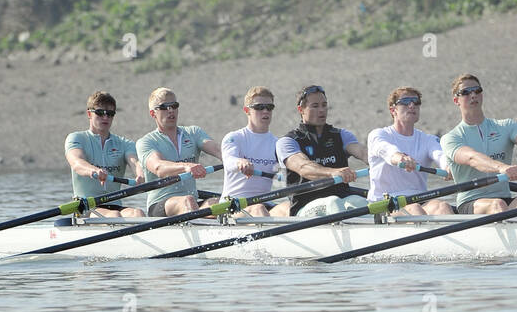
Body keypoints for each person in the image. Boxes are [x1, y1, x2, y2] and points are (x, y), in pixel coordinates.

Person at [440, 74, 517, 215]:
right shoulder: (451, 138)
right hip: (471, 202)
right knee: (497, 205)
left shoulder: (506, 126)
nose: (473, 95)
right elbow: (472, 158)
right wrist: (502, 167)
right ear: (456, 100)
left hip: (504, 198)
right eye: (466, 92)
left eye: (477, 90)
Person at [276, 85, 368, 218]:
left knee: (365, 203)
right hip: (305, 206)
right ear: (301, 109)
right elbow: (303, 167)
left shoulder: (341, 135)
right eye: (315, 106)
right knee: (333, 203)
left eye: (324, 105)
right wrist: (333, 172)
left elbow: (364, 153)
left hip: (342, 198)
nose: (322, 110)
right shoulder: (288, 142)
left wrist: (387, 159)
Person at [136, 89, 222, 218]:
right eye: (164, 107)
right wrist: (186, 167)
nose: (171, 110)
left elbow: (217, 149)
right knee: (187, 201)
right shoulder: (146, 142)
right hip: (160, 205)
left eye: (174, 106)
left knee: (222, 203)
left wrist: (234, 159)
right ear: (153, 113)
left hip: (191, 202)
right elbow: (158, 167)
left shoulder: (193, 132)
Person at [367, 88, 453, 215]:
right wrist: (400, 158)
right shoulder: (378, 135)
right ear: (393, 110)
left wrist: (448, 166)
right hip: (385, 204)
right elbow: (388, 150)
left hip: (419, 199)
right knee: (415, 210)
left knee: (443, 206)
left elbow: (439, 154)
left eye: (416, 102)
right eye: (406, 101)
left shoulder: (427, 139)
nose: (412, 105)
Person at [64, 92, 144, 218]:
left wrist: (140, 174)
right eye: (100, 113)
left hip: (115, 204)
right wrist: (94, 171)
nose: (105, 117)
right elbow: (77, 163)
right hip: (86, 207)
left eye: (110, 114)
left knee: (138, 214)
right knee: (114, 216)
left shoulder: (124, 143)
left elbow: (135, 162)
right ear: (89, 114)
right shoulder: (76, 138)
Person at [220, 87, 289, 218]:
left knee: (290, 207)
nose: (265, 111)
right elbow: (229, 161)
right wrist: (240, 162)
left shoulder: (278, 144)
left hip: (263, 204)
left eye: (269, 107)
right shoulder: (234, 138)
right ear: (247, 111)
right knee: (258, 209)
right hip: (233, 206)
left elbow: (288, 171)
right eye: (259, 107)